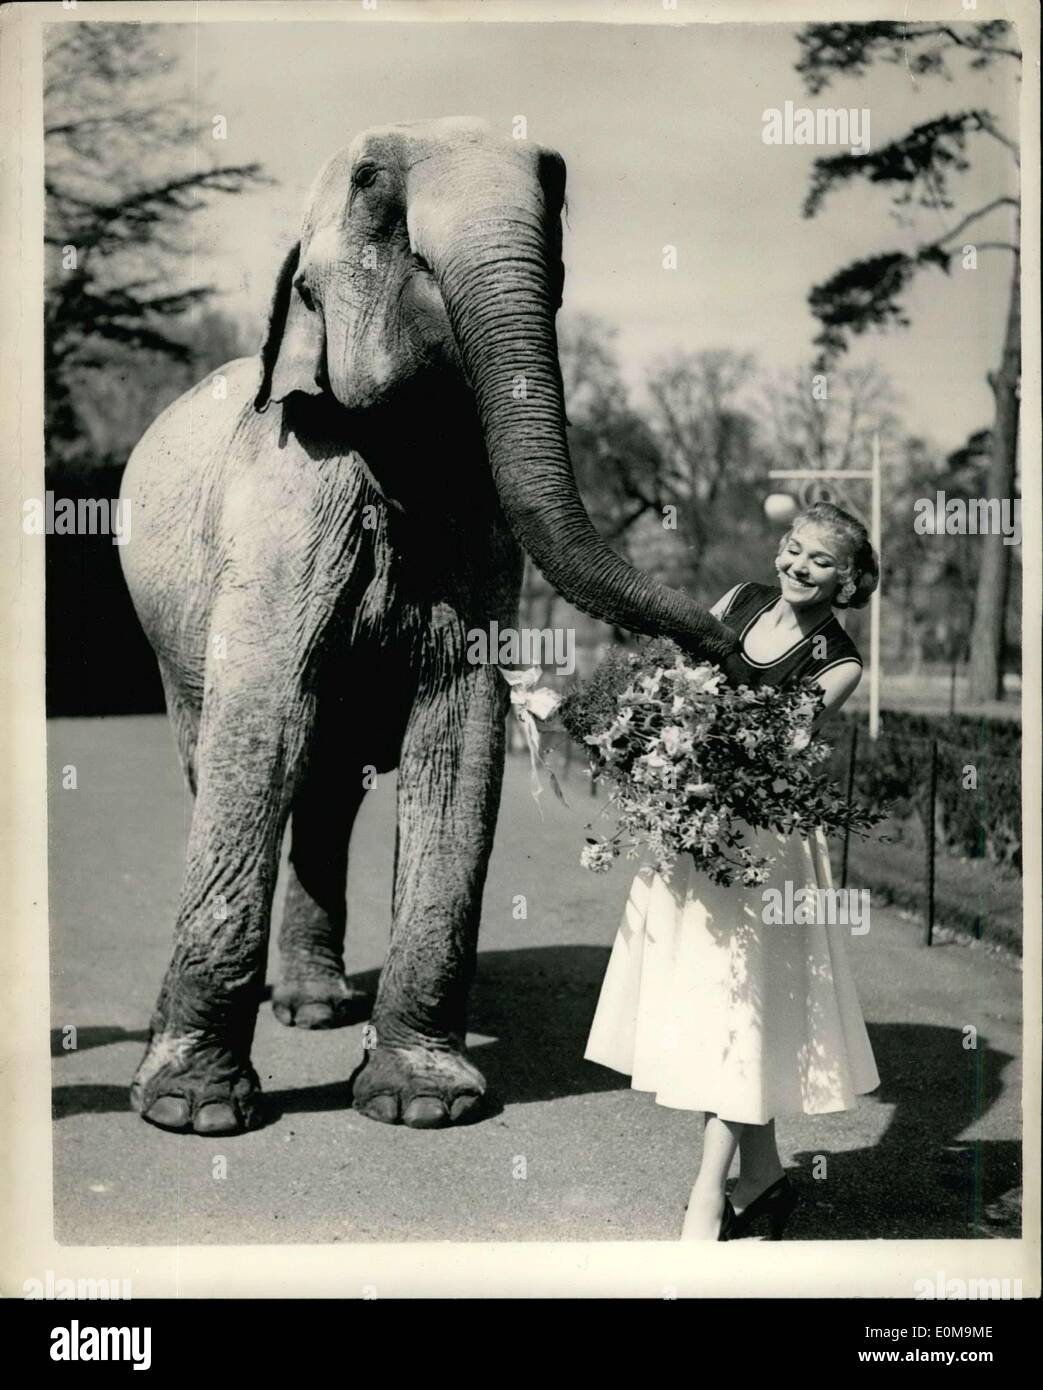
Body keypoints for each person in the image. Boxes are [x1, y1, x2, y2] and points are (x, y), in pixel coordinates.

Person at [583, 501, 881, 1240]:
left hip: (764, 846)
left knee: (742, 1010)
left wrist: (693, 743)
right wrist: (645, 733)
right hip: (692, 827)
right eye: (792, 548)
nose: (796, 567)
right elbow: (677, 679)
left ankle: (707, 1196)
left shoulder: (837, 660)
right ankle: (765, 1182)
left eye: (819, 561)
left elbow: (774, 743)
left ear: (846, 580)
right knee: (722, 1011)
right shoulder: (738, 602)